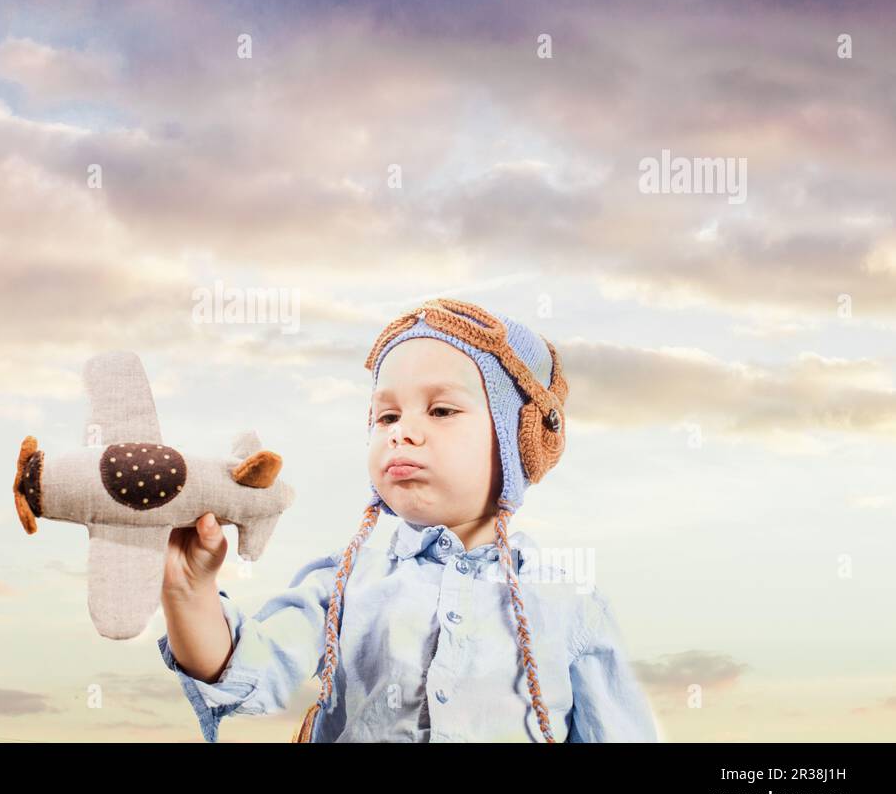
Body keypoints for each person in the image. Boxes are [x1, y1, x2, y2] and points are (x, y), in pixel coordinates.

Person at [157, 298, 658, 742]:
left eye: (440, 410)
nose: (403, 433)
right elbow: (245, 670)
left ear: (524, 440)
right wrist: (189, 593)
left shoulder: (570, 605)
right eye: (387, 417)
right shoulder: (342, 586)